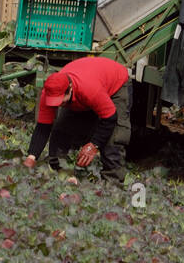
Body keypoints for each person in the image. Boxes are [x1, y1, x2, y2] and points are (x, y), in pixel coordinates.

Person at [25, 56, 131, 184]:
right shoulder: (48, 93)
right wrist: (32, 157)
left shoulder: (90, 89)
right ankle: (62, 174)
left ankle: (113, 184)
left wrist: (94, 145)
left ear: (70, 89)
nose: (58, 105)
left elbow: (110, 118)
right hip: (87, 85)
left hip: (116, 83)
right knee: (61, 131)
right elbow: (43, 128)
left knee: (113, 139)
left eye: (60, 101)